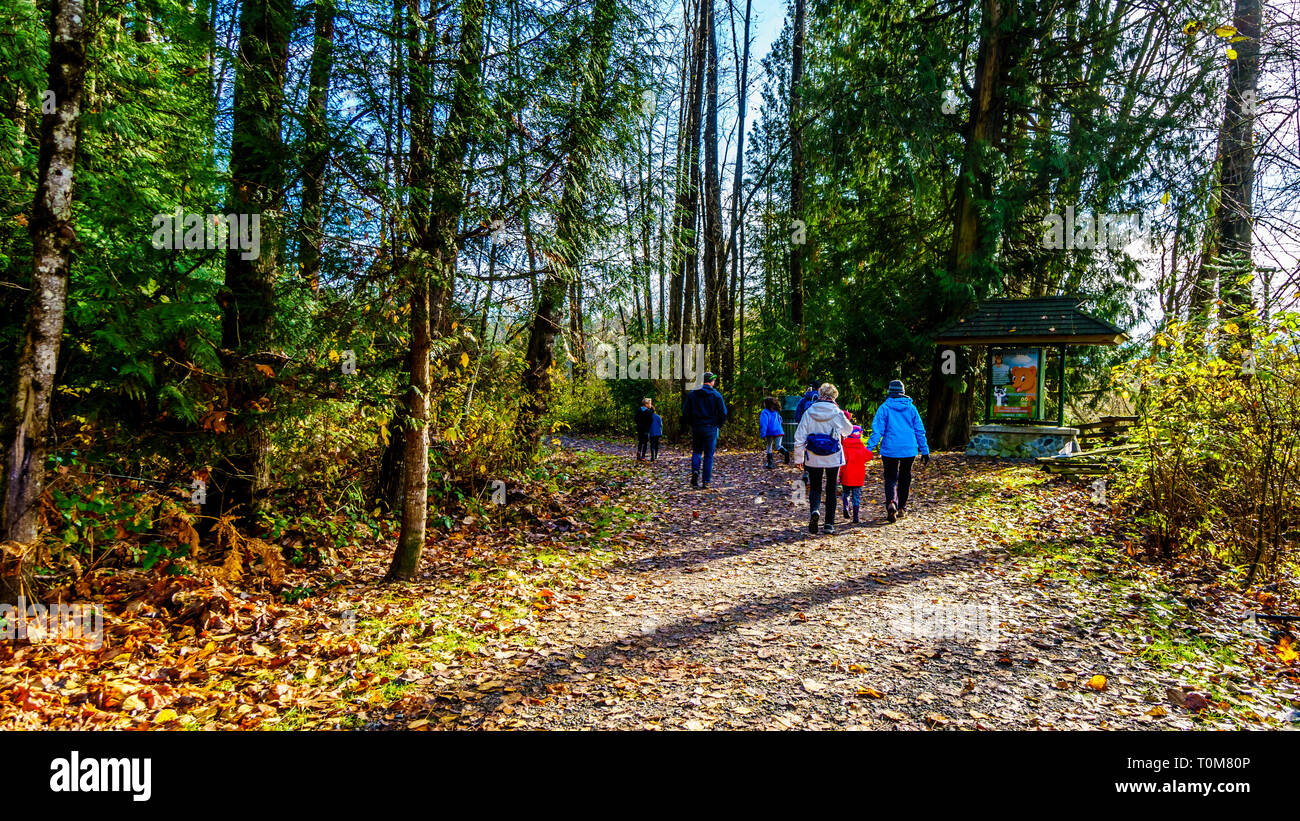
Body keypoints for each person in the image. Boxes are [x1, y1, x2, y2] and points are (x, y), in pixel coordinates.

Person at [865, 379, 931, 523]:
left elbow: (878, 431)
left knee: (890, 478)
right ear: (903, 392)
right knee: (905, 478)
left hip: (890, 449)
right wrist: (924, 450)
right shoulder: (911, 408)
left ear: (890, 392)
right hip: (909, 449)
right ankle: (901, 508)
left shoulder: (884, 408)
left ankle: (891, 503)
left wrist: (868, 450)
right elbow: (919, 430)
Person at [793, 383, 854, 535]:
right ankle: (829, 524)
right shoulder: (837, 412)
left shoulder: (809, 412)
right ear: (834, 396)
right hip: (833, 456)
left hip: (813, 456)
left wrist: (798, 458)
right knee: (832, 488)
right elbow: (849, 429)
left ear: (819, 395)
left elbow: (799, 436)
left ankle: (815, 511)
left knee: (815, 487)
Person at [681, 372, 728, 489]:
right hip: (710, 428)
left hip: (697, 427)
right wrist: (718, 425)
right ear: (711, 381)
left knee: (696, 451)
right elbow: (723, 413)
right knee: (708, 455)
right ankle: (706, 481)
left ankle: (695, 472)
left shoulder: (692, 394)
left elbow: (685, 412)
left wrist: (692, 423)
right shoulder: (716, 395)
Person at [839, 414, 872, 524]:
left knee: (846, 493)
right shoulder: (861, 446)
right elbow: (869, 456)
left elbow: (842, 462)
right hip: (858, 477)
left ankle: (845, 507)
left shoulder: (844, 446)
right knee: (856, 497)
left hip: (846, 475)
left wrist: (839, 475)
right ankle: (856, 517)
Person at [759, 396, 789, 469]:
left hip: (770, 432)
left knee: (769, 446)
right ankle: (785, 452)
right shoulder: (776, 412)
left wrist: (763, 433)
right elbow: (780, 421)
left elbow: (764, 423)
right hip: (779, 431)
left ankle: (770, 463)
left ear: (766, 404)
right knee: (778, 446)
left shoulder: (764, 412)